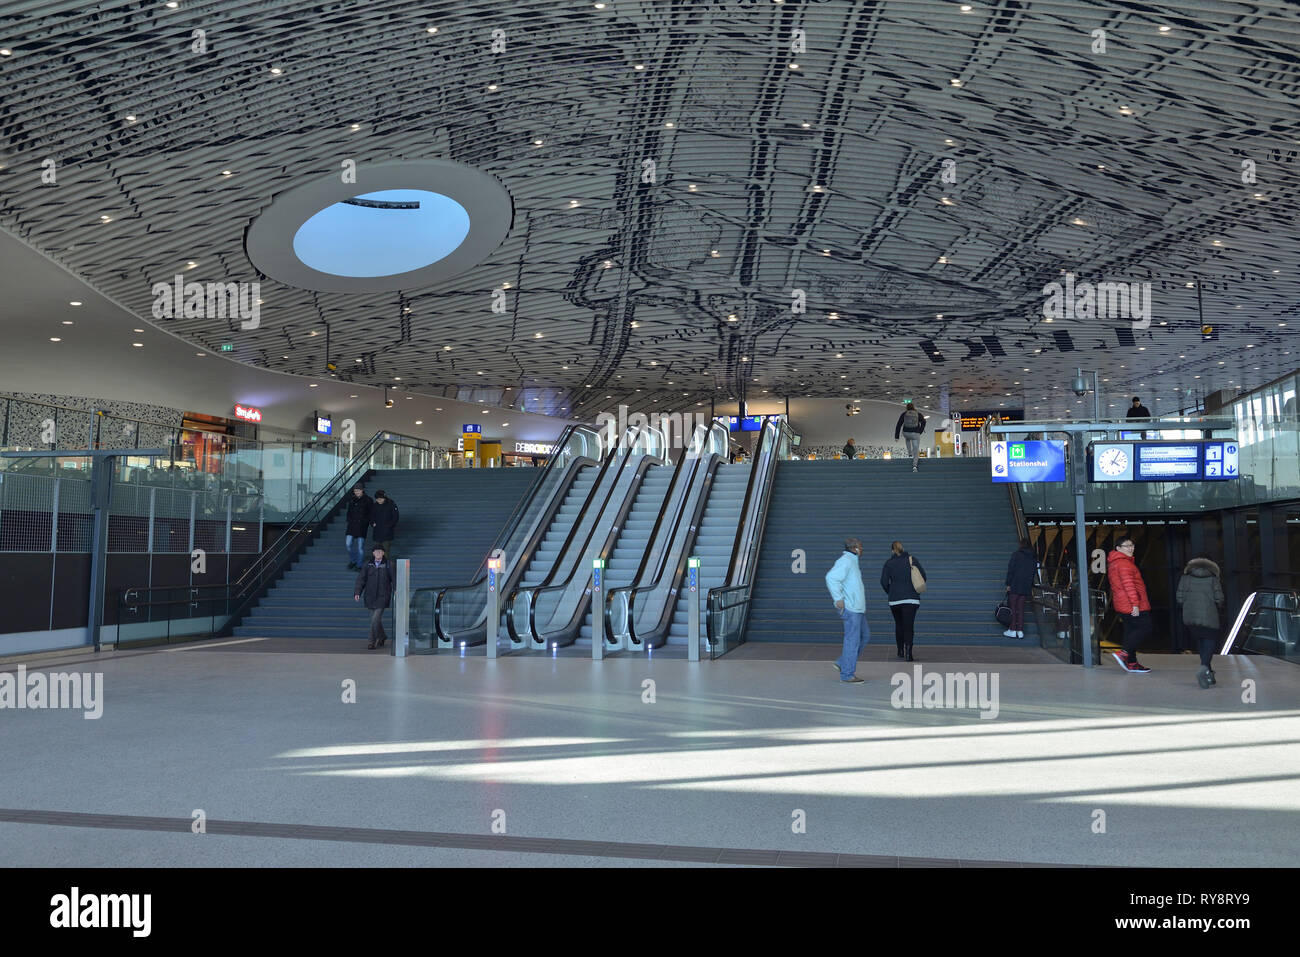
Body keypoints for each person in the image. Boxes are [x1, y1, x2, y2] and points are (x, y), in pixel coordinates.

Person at [1177, 555, 1225, 689]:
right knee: (1210, 641)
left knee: (1201, 641)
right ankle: (1204, 668)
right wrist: (1218, 606)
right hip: (1209, 615)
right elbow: (1219, 598)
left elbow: (1179, 598)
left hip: (1190, 615)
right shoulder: (1213, 579)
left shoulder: (1185, 578)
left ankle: (1208, 674)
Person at [825, 537, 869, 683]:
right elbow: (831, 577)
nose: (862, 549)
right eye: (860, 546)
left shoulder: (853, 562)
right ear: (854, 548)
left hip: (857, 609)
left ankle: (842, 663)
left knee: (865, 636)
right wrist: (838, 599)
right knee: (852, 640)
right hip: (851, 609)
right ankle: (847, 674)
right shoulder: (846, 561)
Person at [1107, 537, 1152, 673]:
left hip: (1123, 604)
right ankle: (1124, 654)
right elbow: (1129, 586)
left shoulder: (1115, 563)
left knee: (1130, 631)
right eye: (1126, 546)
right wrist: (1135, 605)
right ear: (1118, 549)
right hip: (1132, 604)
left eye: (1132, 545)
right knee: (1145, 627)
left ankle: (1132, 663)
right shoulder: (1124, 564)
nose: (1131, 548)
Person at [881, 541, 926, 661]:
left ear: (892, 550)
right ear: (903, 549)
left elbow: (884, 582)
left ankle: (900, 650)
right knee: (908, 626)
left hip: (895, 600)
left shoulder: (889, 563)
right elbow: (923, 577)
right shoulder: (912, 560)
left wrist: (891, 592)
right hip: (911, 599)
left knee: (899, 624)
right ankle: (908, 653)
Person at [354, 546, 395, 649]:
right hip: (370, 596)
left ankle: (371, 641)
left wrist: (396, 590)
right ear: (373, 553)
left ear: (383, 553)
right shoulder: (368, 564)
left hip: (383, 596)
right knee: (375, 620)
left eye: (380, 551)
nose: (378, 553)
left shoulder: (389, 564)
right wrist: (357, 592)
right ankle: (382, 636)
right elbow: (361, 579)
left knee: (375, 619)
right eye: (376, 551)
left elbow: (395, 579)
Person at [1004, 538, 1037, 638]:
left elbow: (1011, 570)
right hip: (1025, 585)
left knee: (1013, 608)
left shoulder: (1016, 555)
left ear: (1021, 544)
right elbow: (1033, 572)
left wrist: (1008, 584)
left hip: (1015, 584)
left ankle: (1012, 629)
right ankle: (1020, 631)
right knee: (1021, 608)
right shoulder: (1033, 556)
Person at [344, 484, 372, 570]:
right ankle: (353, 561)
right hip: (352, 525)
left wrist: (366, 522)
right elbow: (349, 512)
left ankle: (359, 565)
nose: (357, 492)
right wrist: (349, 520)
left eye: (358, 490)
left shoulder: (368, 500)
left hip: (361, 526)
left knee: (360, 547)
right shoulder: (352, 500)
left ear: (362, 490)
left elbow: (371, 513)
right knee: (348, 544)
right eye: (355, 491)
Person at [894, 402, 927, 472]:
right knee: (916, 448)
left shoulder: (904, 414)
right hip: (915, 433)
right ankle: (914, 466)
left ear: (907, 407)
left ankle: (909, 454)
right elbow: (924, 421)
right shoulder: (918, 414)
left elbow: (898, 425)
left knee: (907, 438)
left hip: (906, 433)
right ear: (913, 407)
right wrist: (920, 431)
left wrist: (896, 436)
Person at [369, 489, 399, 557]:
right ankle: (376, 567)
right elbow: (371, 516)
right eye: (377, 499)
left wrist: (389, 526)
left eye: (380, 499)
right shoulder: (374, 506)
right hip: (377, 532)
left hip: (387, 532)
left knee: (385, 551)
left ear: (384, 498)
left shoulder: (391, 504)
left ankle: (386, 566)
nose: (379, 500)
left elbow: (395, 517)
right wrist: (372, 523)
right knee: (376, 551)